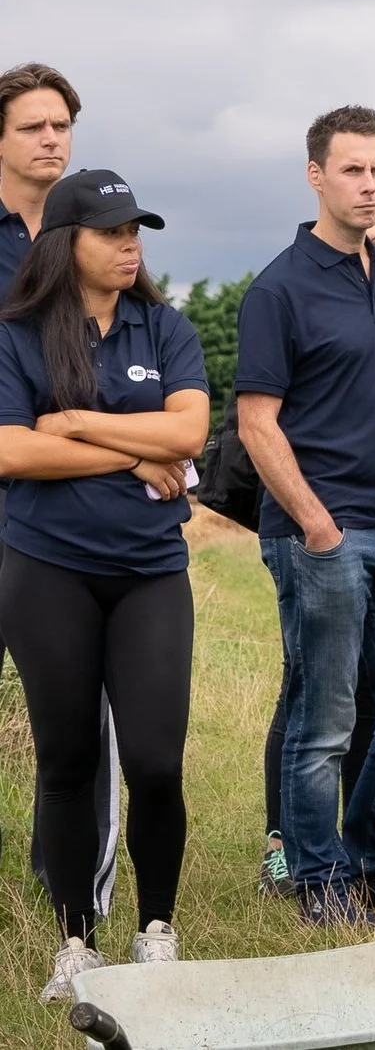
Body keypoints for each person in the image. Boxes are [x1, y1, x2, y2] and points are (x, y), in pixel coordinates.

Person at [236, 106, 375, 927]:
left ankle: (372, 860)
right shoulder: (278, 288)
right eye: (353, 170)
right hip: (324, 535)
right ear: (316, 176)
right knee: (323, 718)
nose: (369, 185)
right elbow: (257, 421)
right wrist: (317, 525)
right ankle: (317, 877)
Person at [0, 169, 208, 1002]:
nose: (129, 245)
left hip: (150, 571)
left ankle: (157, 928)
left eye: (135, 232)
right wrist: (132, 452)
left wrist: (81, 422)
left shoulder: (165, 326)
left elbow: (189, 430)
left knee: (156, 760)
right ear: (66, 243)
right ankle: (75, 942)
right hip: (46, 569)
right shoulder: (17, 334)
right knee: (68, 758)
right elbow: (13, 449)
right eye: (112, 231)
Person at [0, 62, 121, 918]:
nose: (51, 138)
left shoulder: (96, 233)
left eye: (61, 125)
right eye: (31, 126)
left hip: (70, 501)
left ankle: (75, 895)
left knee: (78, 713)